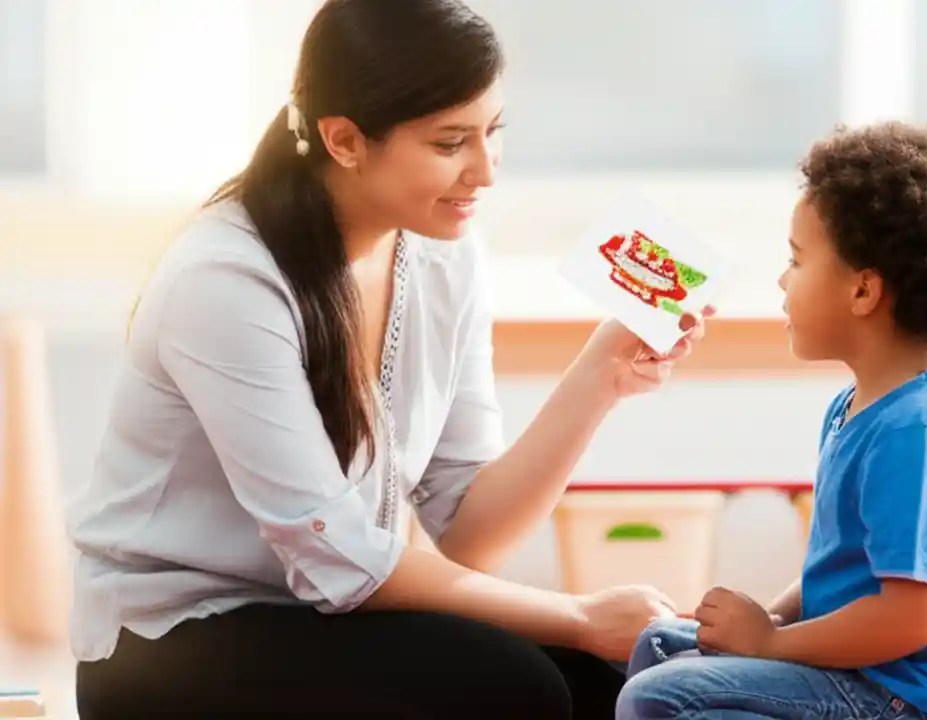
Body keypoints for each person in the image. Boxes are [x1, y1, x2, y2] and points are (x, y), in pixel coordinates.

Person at [68, 1, 711, 718]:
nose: (486, 172)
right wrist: (581, 614)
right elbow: (341, 561)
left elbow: (463, 536)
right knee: (516, 683)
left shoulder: (445, 253)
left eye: (493, 132)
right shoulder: (224, 281)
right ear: (344, 139)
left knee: (605, 684)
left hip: (324, 620)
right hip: (172, 641)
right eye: (449, 142)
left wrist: (600, 377)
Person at [616, 122, 927, 720]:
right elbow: (841, 574)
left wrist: (770, 643)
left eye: (797, 259)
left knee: (658, 695)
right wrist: (773, 618)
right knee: (661, 648)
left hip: (917, 698)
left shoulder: (919, 432)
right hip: (868, 676)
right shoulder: (861, 405)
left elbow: (910, 617)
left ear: (863, 291)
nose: (783, 279)